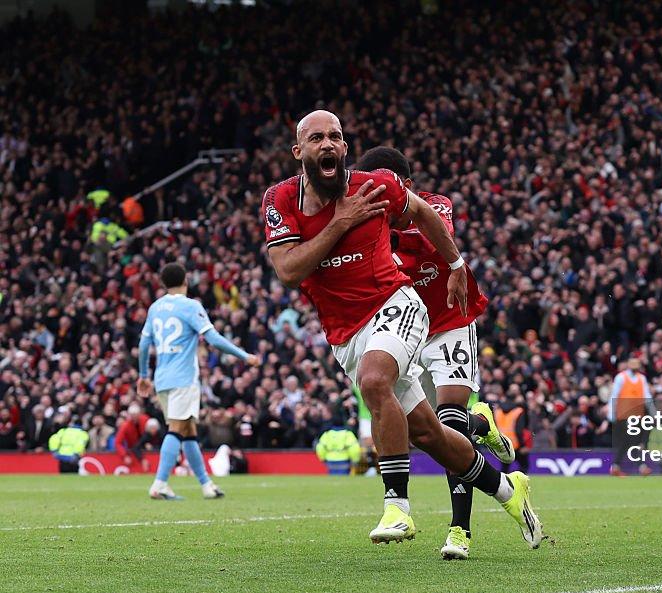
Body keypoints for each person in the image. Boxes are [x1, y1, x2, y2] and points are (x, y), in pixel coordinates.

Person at [263, 110, 542, 547]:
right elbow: (288, 271)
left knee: (375, 381)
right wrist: (341, 222)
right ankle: (509, 489)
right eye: (317, 138)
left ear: (346, 147)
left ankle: (398, 506)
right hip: (345, 333)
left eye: (335, 136)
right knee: (428, 433)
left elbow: (425, 212)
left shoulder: (375, 186)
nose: (328, 144)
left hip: (397, 303)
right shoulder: (280, 201)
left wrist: (455, 264)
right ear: (298, 152)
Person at [354, 146, 516, 560]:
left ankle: (459, 531)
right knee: (427, 434)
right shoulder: (370, 227)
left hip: (450, 321)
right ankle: (484, 425)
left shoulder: (435, 205)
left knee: (449, 421)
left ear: (403, 186)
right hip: (407, 328)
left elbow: (429, 232)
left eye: (382, 188)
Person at [137, 263, 259, 500]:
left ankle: (206, 485)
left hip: (162, 379)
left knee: (188, 430)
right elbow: (212, 338)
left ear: (163, 283)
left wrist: (143, 376)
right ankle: (160, 483)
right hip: (183, 378)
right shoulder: (191, 306)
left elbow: (143, 345)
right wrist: (245, 356)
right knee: (176, 429)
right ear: (186, 281)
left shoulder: (155, 308)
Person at [607, 357, 654, 476]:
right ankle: (641, 466)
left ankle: (616, 466)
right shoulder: (621, 377)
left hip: (637, 415)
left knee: (628, 441)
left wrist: (653, 412)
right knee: (633, 439)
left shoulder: (641, 378)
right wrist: (611, 413)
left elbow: (647, 396)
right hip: (624, 414)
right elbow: (614, 395)